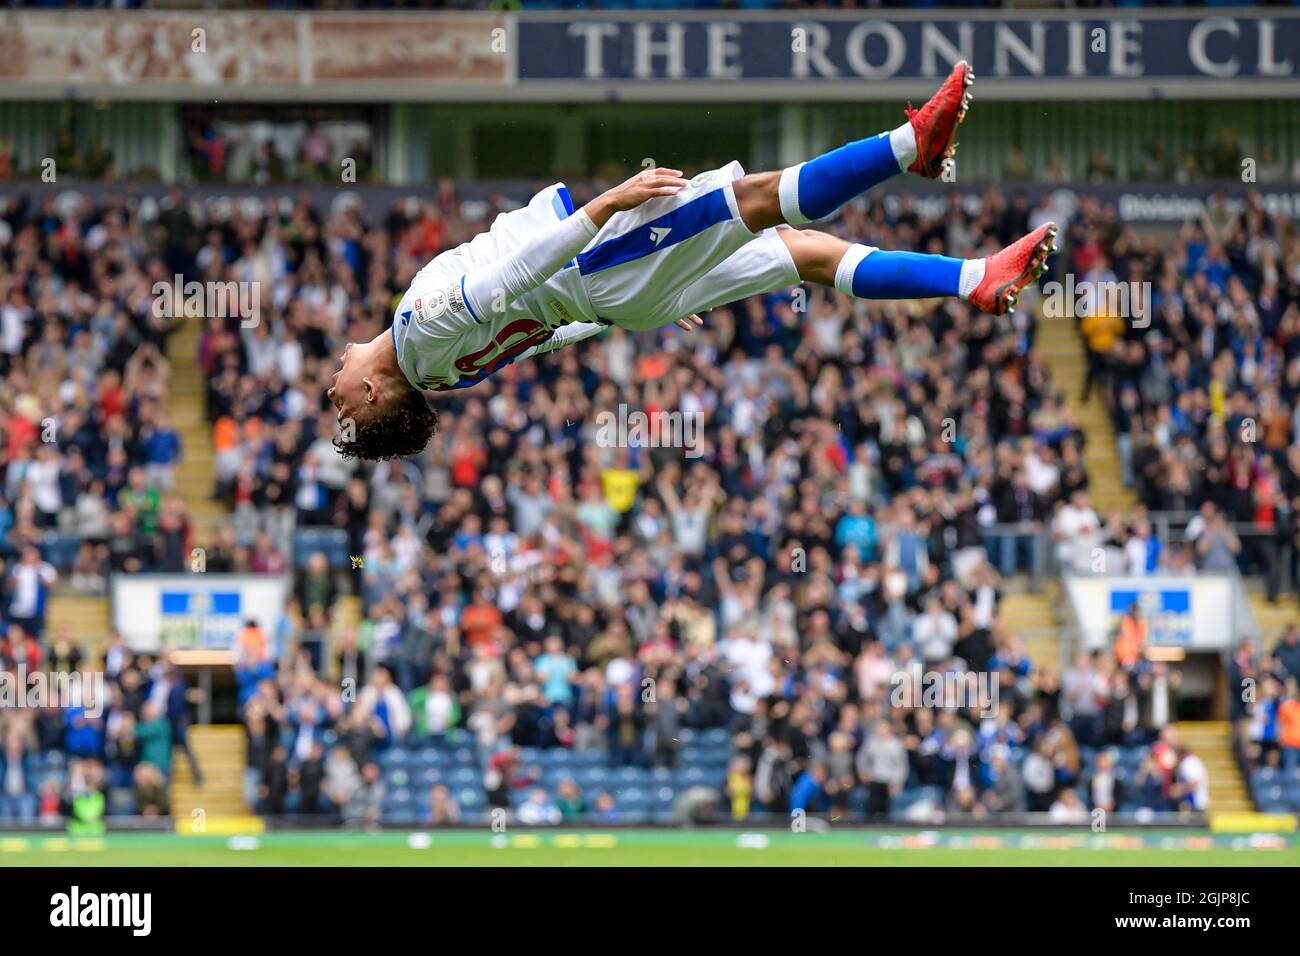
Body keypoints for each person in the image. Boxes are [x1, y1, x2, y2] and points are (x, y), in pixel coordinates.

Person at [327, 62, 1057, 461]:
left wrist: (636, 308)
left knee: (804, 255)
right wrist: (607, 208)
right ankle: (910, 147)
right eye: (340, 406)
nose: (332, 390)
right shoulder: (419, 335)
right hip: (599, 263)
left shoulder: (440, 374)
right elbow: (514, 279)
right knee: (759, 199)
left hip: (610, 292)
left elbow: (544, 331)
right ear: (371, 398)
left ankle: (974, 278)